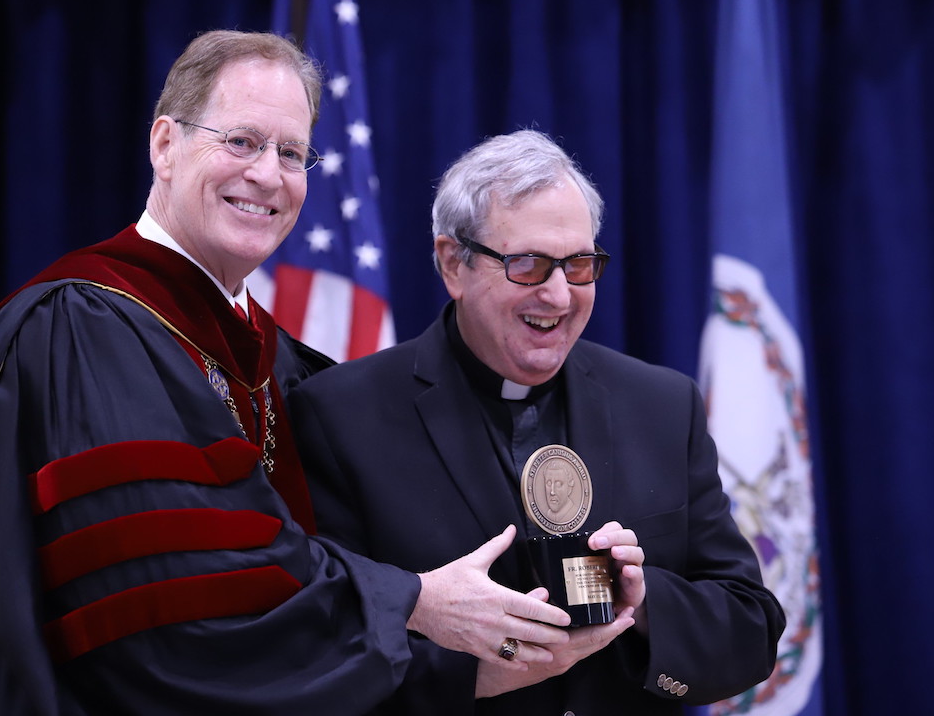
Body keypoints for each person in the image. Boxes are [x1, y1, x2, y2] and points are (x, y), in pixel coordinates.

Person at [0, 33, 572, 715]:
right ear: (164, 145)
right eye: (241, 142)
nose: (268, 175)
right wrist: (412, 601)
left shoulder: (282, 363)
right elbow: (170, 599)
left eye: (292, 153)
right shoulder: (85, 327)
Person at [287, 130, 786, 714]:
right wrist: (472, 677)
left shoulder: (662, 406)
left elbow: (751, 632)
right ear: (454, 264)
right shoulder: (341, 416)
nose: (558, 295)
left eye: (578, 264)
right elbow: (317, 650)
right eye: (528, 265)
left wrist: (645, 601)